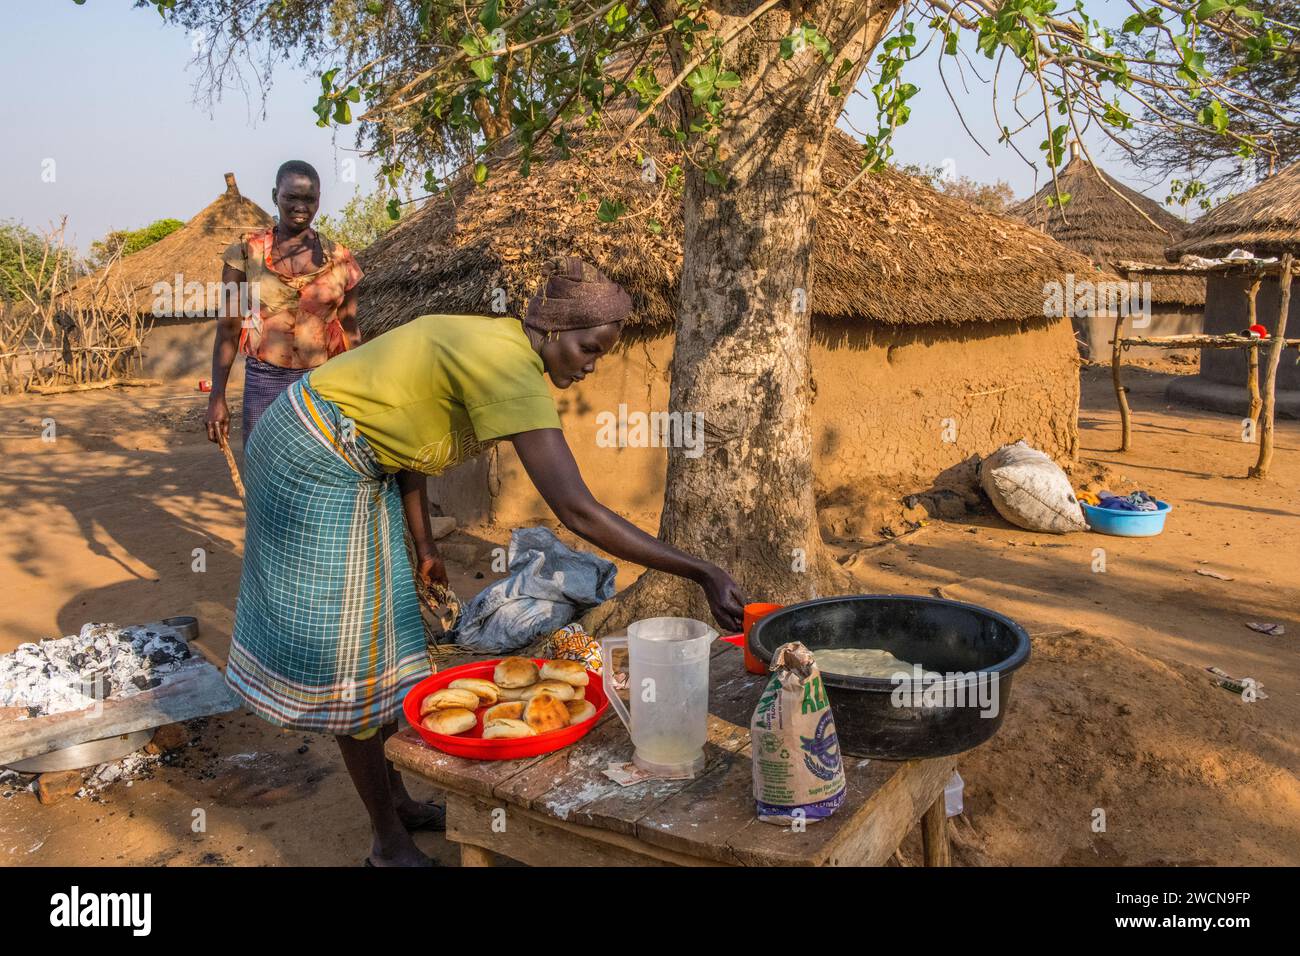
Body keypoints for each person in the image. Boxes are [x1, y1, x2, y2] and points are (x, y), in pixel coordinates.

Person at [223, 256, 747, 867]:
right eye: (588, 346)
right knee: (355, 651)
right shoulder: (509, 364)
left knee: (390, 627)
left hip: (354, 459)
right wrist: (700, 570)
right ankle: (386, 843)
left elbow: (407, 438)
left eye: (602, 352)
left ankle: (400, 804)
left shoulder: (497, 343)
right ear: (552, 331)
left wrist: (424, 545)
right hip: (312, 458)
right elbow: (578, 510)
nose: (591, 363)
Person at [205, 160, 363, 445]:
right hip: (264, 383)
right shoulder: (245, 255)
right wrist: (217, 396)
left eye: (309, 199)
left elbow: (350, 331)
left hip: (321, 384)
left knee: (316, 472)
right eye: (291, 197)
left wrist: (359, 394)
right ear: (275, 195)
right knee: (263, 470)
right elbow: (228, 328)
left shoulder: (342, 260)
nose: (300, 206)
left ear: (318, 200)